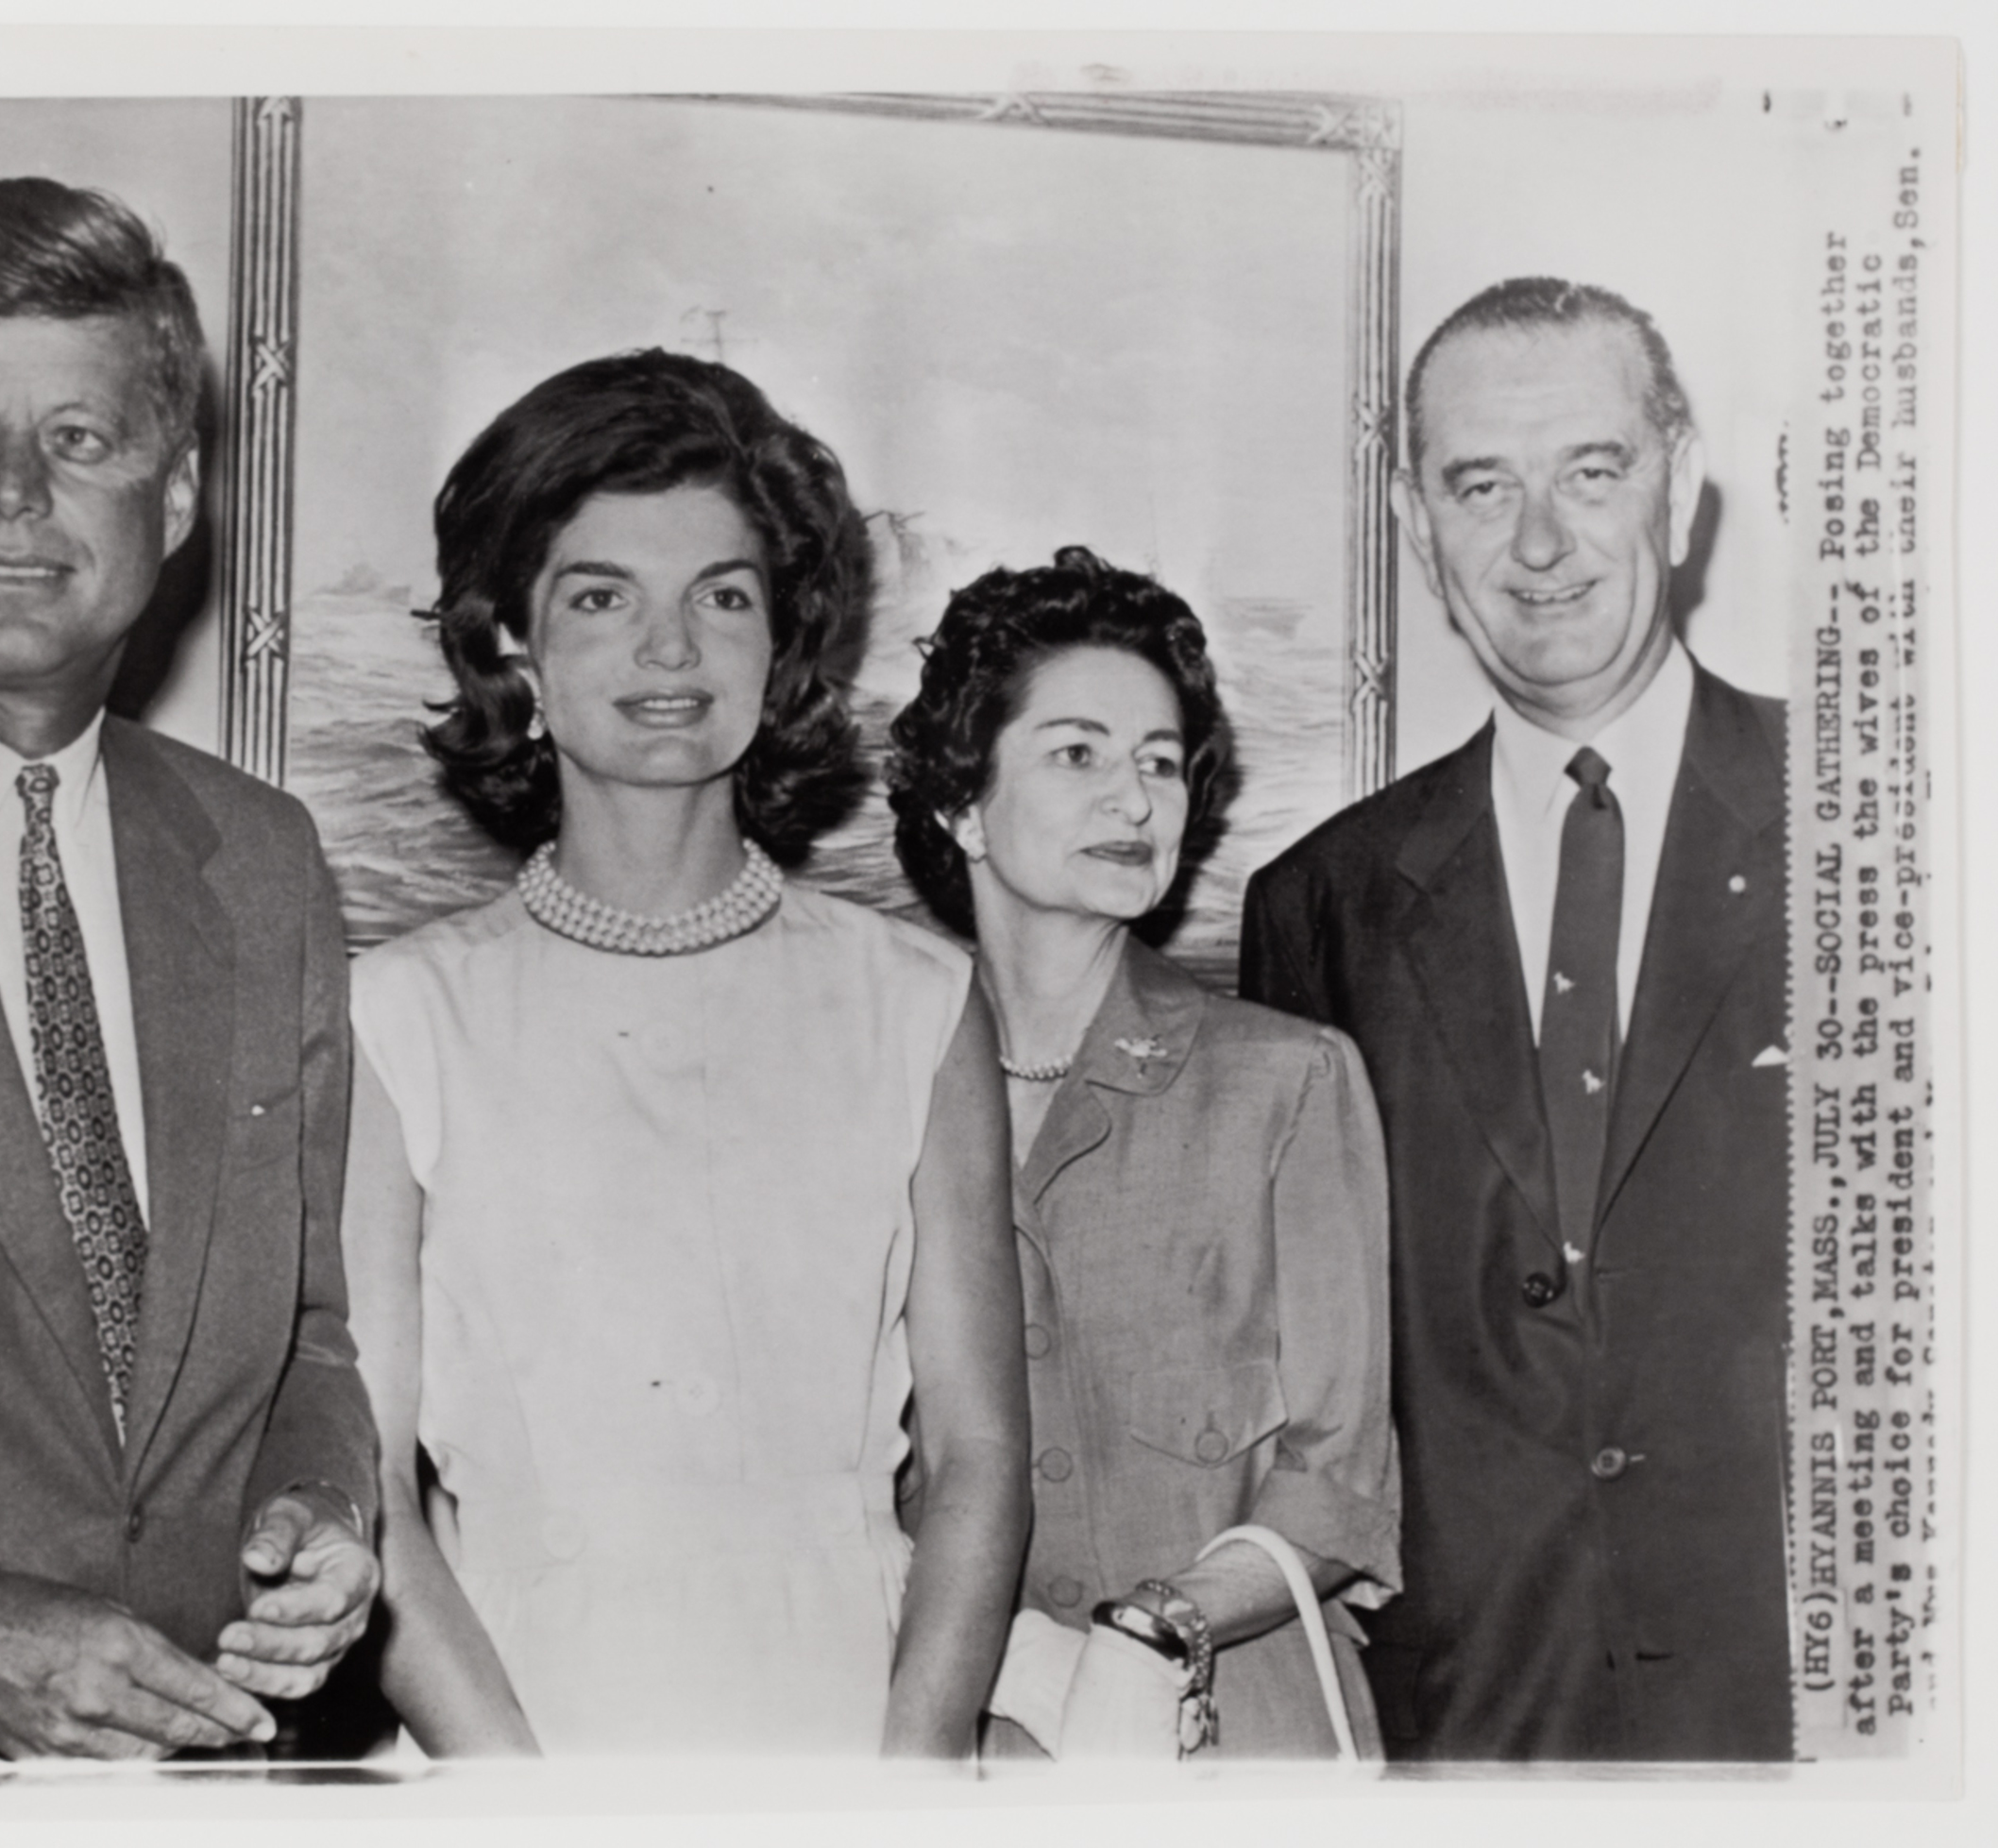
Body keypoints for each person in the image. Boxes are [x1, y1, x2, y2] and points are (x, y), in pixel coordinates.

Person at [0, 178, 380, 1760]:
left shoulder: (262, 861)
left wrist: (324, 1505)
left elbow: (306, 1327)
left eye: (82, 439)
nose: (16, 495)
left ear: (175, 499)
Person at [341, 350, 1028, 1756]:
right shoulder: (398, 1015)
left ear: (782, 644)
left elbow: (976, 1461)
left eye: (722, 596)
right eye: (602, 597)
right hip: (518, 1738)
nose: (670, 651)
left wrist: (905, 1790)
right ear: (513, 646)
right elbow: (375, 1498)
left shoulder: (916, 1000)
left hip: (853, 1729)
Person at [1241, 279, 1791, 1760]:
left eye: (1591, 472)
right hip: (1477, 1716)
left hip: (1829, 1713)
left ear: (1680, 484)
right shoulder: (1322, 906)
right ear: (1420, 528)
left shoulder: (1890, 827)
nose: (1540, 545)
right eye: (1483, 487)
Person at [888, 546, 1398, 1760]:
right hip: (959, 1743)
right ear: (960, 802)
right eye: (1078, 754)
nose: (1134, 801)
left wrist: (1154, 1630)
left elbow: (1340, 1481)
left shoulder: (1286, 1079)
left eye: (1160, 762)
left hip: (1231, 1742)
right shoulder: (875, 1088)